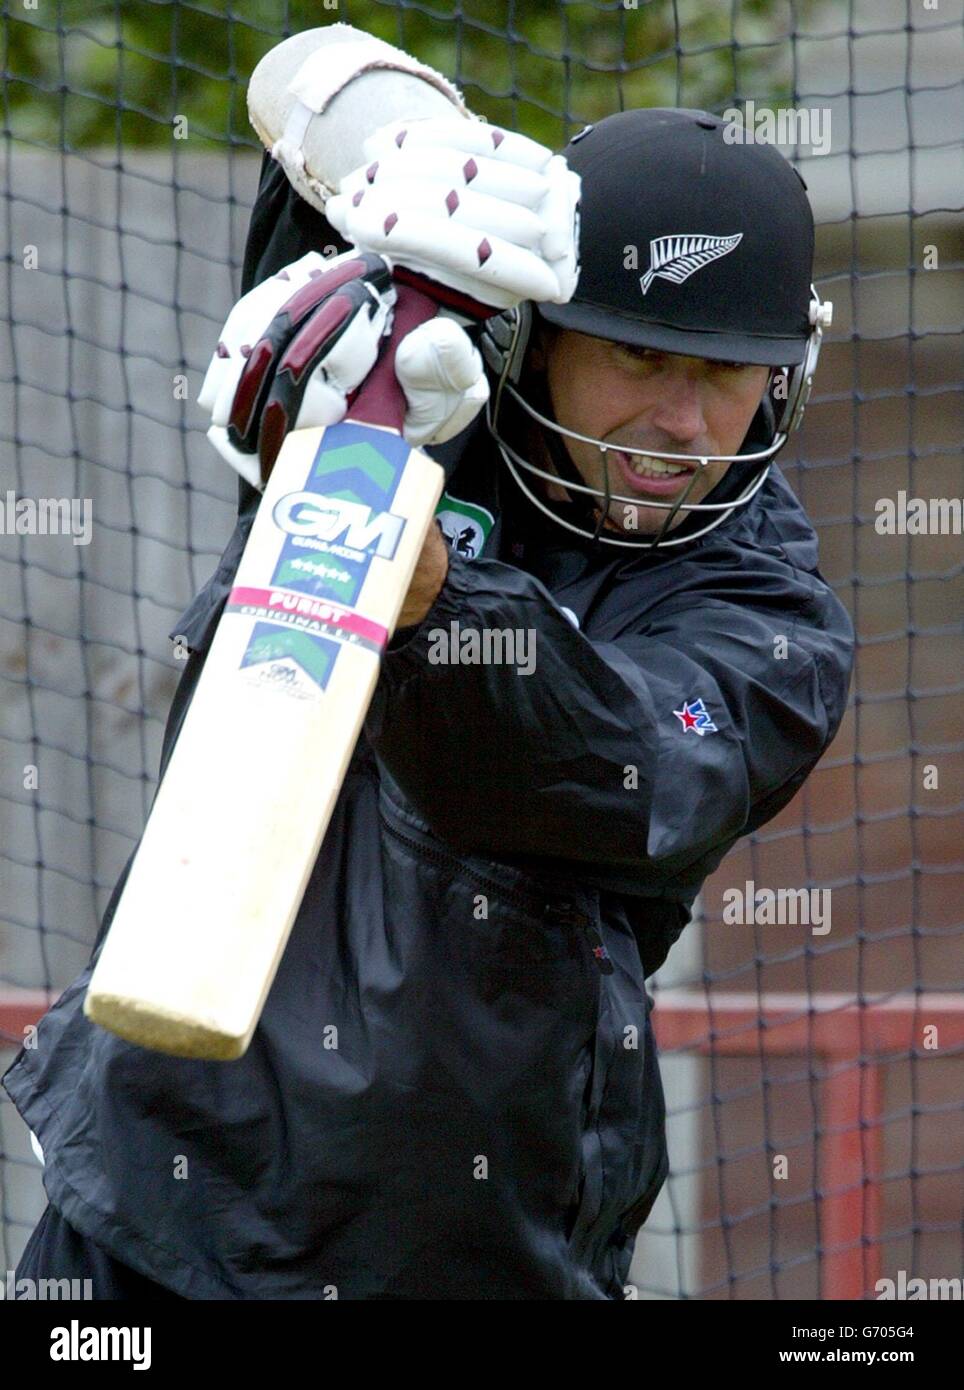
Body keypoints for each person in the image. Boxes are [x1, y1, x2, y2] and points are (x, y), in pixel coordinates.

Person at [3, 103, 854, 1300]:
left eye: (725, 373)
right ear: (539, 336)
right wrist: (353, 113)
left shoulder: (768, 611)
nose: (682, 422)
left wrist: (435, 598)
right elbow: (311, 106)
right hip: (149, 1193)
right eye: (639, 357)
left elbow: (614, 754)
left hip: (460, 1244)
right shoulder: (398, 384)